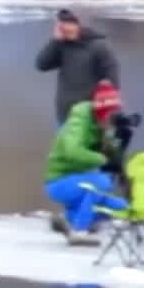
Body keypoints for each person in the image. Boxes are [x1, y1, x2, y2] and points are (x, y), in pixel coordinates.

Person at [43, 80, 130, 243]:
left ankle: (69, 218)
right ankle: (79, 231)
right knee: (102, 183)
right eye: (111, 114)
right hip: (59, 181)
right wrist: (100, 158)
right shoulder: (80, 120)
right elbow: (71, 151)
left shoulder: (102, 127)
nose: (112, 119)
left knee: (122, 207)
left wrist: (121, 137)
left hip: (80, 182)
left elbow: (113, 156)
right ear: (103, 112)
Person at [35, 9, 120, 126]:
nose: (66, 27)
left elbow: (113, 81)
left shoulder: (99, 47)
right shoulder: (61, 46)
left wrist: (108, 112)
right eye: (62, 24)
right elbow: (41, 65)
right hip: (64, 115)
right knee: (66, 144)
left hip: (90, 117)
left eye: (71, 23)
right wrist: (55, 41)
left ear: (80, 25)